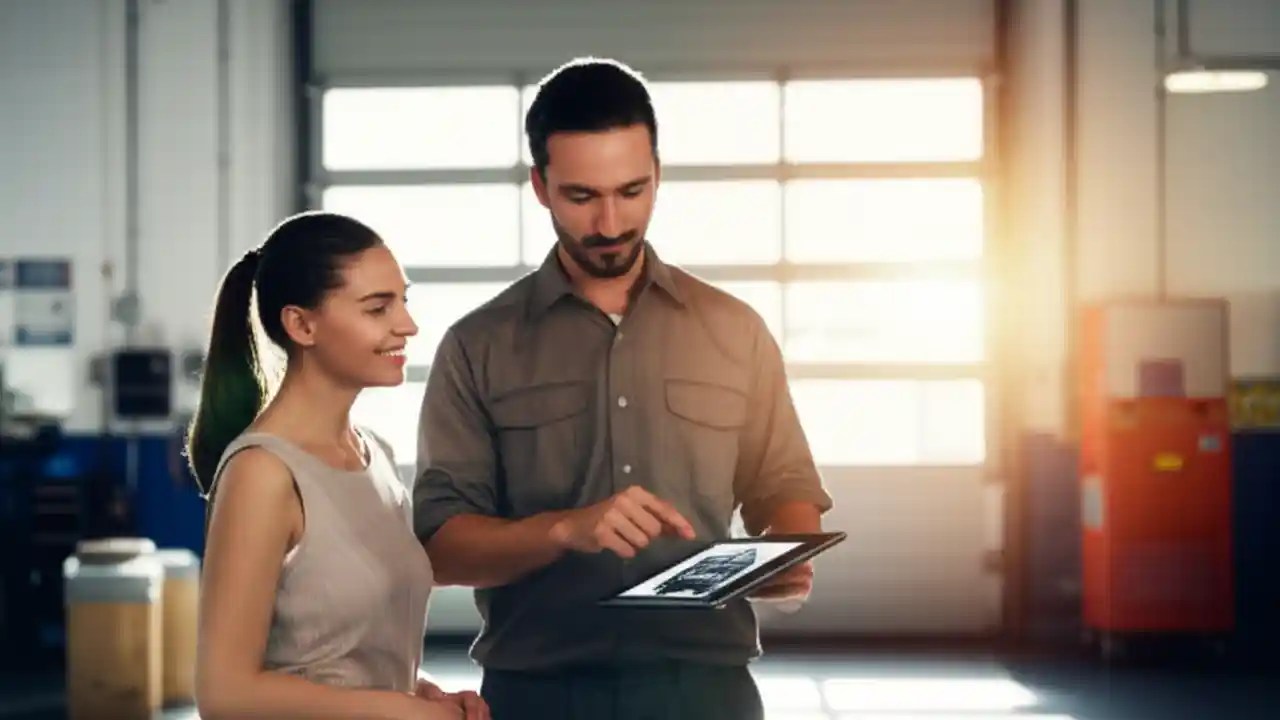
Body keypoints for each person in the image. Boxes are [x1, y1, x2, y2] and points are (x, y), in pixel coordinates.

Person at [414, 58, 833, 720]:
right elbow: (440, 549)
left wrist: (784, 554)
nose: (610, 222)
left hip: (708, 691)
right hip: (538, 693)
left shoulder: (735, 330)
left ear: (658, 176)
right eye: (582, 196)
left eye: (632, 190)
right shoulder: (477, 346)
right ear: (541, 187)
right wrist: (562, 531)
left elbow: (784, 489)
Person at [187, 212, 488, 720]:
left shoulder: (377, 456)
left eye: (403, 300)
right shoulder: (262, 473)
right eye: (378, 308)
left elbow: (344, 657)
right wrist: (399, 713)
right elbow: (225, 694)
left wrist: (422, 692)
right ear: (301, 324)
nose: (407, 325)